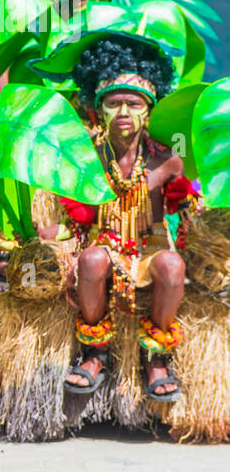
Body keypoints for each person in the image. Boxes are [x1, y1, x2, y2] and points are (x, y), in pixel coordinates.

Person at [40, 34, 190, 402]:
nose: (123, 113)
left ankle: (156, 357)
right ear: (98, 109)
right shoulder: (86, 157)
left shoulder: (167, 160)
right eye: (114, 103)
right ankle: (96, 352)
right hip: (103, 242)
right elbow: (71, 215)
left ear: (149, 110)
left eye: (133, 103)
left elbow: (186, 212)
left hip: (150, 246)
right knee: (91, 260)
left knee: (172, 265)